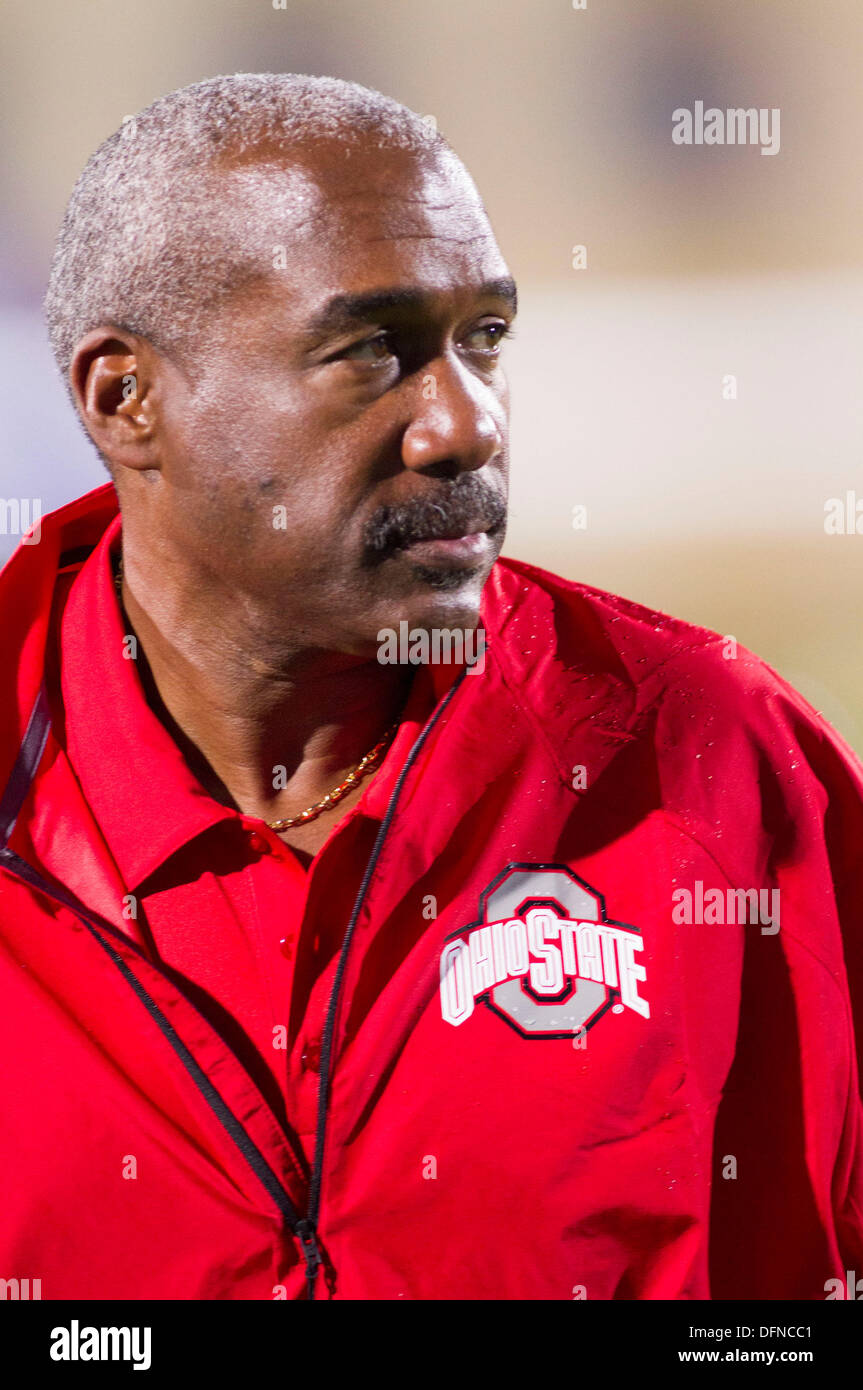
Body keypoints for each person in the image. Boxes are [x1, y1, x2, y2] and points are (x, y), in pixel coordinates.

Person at [0, 72, 861, 1302]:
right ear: (124, 399)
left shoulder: (710, 763)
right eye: (369, 351)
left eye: (484, 340)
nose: (463, 426)